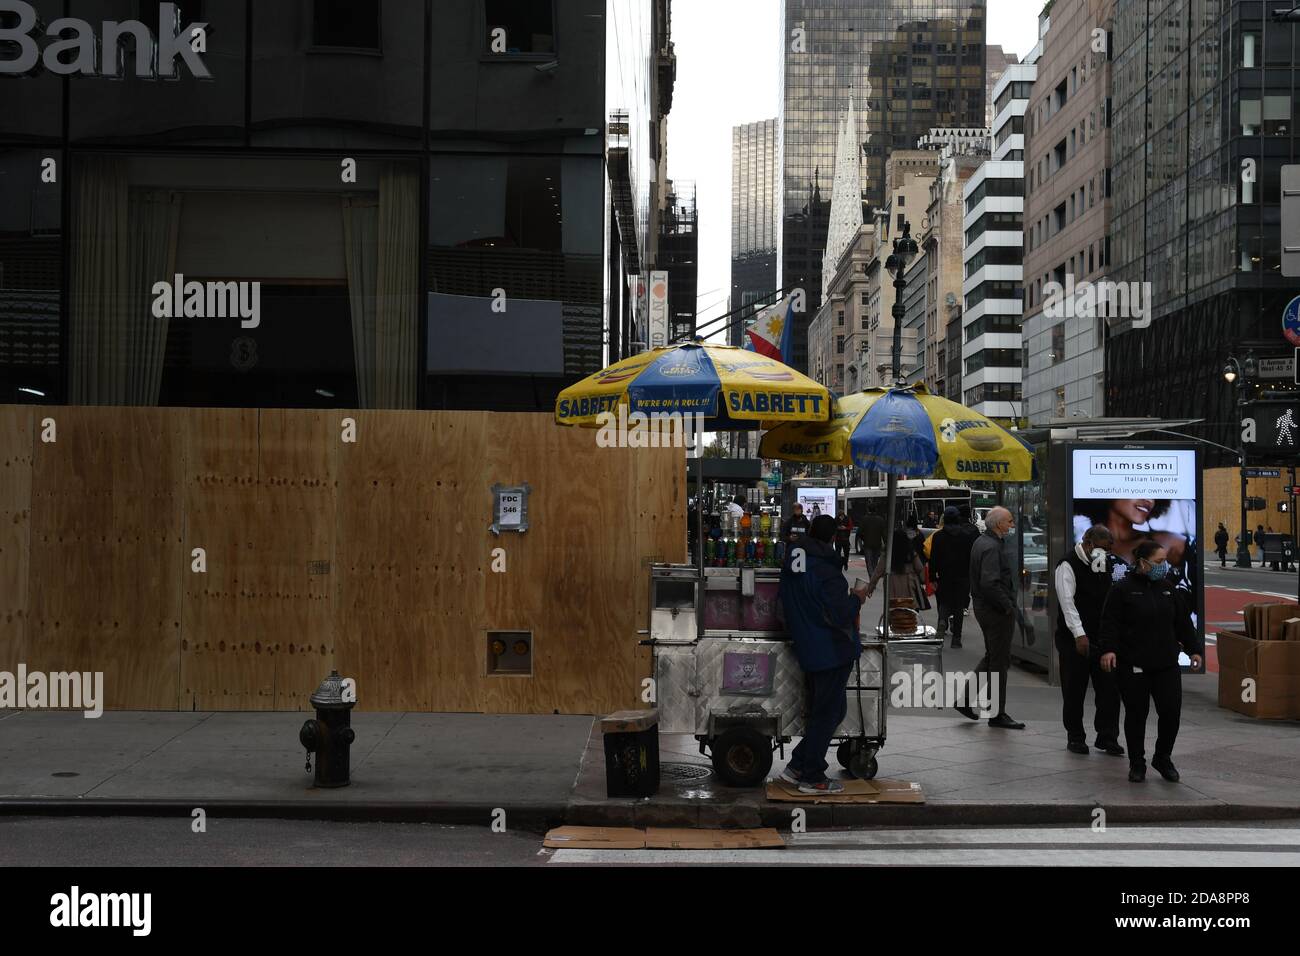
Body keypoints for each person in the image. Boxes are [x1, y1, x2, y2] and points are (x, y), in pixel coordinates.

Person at [1099, 539, 1204, 783]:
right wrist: (1108, 650)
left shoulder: (1168, 588)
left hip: (1166, 663)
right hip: (1134, 664)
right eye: (1158, 562)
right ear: (1143, 563)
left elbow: (1183, 624)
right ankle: (1137, 762)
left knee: (1170, 712)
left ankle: (1163, 757)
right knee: (1136, 714)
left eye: (1165, 561)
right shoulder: (1122, 589)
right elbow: (1109, 623)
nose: (1163, 566)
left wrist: (1194, 650)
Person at [778, 514, 868, 794]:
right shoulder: (828, 573)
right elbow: (841, 614)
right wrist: (857, 597)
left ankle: (797, 766)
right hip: (831, 649)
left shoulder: (794, 561)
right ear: (832, 538)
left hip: (808, 644)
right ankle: (812, 777)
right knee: (827, 713)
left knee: (832, 710)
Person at [1054, 524, 1124, 756]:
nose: (1105, 554)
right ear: (1088, 543)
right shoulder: (1067, 564)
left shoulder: (1104, 563)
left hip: (1101, 636)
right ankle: (1075, 736)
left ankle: (1107, 736)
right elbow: (1067, 603)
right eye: (1102, 549)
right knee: (1074, 689)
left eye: (1108, 550)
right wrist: (1079, 634)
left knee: (1109, 689)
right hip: (1074, 637)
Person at [957, 506, 1024, 728]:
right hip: (994, 611)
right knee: (999, 662)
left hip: (985, 608)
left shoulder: (982, 542)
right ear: (998, 524)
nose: (1012, 525)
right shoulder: (991, 547)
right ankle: (997, 713)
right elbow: (990, 583)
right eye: (1010, 521)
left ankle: (966, 700)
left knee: (992, 657)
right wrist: (1008, 607)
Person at [929, 506, 979, 649]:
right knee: (958, 607)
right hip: (962, 576)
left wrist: (932, 577)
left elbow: (933, 559)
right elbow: (971, 557)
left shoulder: (938, 536)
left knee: (944, 602)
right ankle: (956, 638)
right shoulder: (966, 536)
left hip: (944, 576)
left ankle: (942, 621)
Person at [865, 529, 927, 610]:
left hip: (892, 584)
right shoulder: (911, 552)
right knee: (909, 613)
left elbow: (878, 572)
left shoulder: (888, 554)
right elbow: (919, 568)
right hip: (909, 584)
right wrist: (922, 580)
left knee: (894, 612)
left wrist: (871, 587)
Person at [857, 504, 886, 569]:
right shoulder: (880, 520)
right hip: (877, 544)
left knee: (869, 562)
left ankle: (871, 576)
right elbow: (884, 533)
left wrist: (864, 539)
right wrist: (885, 543)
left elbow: (859, 532)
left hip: (867, 544)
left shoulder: (864, 519)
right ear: (876, 510)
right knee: (875, 562)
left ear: (868, 509)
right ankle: (873, 576)